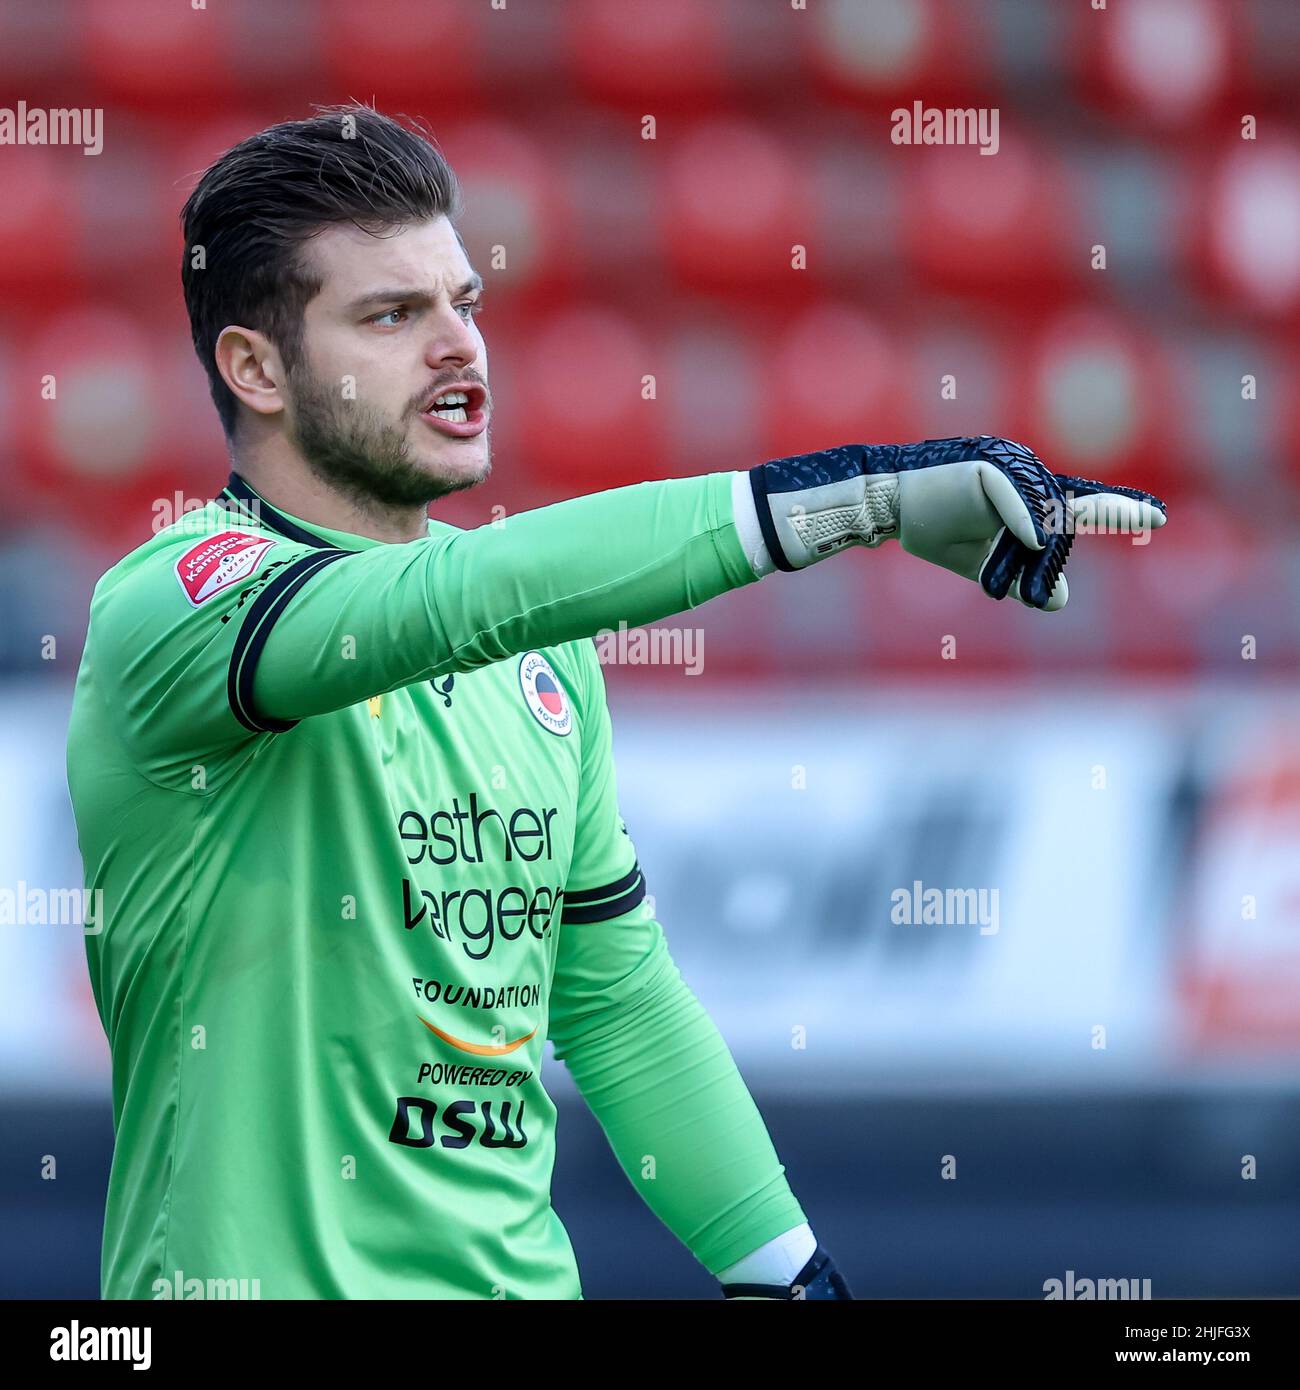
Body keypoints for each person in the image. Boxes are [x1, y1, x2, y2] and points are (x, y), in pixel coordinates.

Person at [67, 103, 1165, 1301]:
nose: (458, 347)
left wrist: (790, 1277)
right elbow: (453, 596)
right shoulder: (172, 607)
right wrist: (865, 499)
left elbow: (616, 1002)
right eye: (391, 314)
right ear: (256, 368)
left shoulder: (541, 665)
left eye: (464, 303)